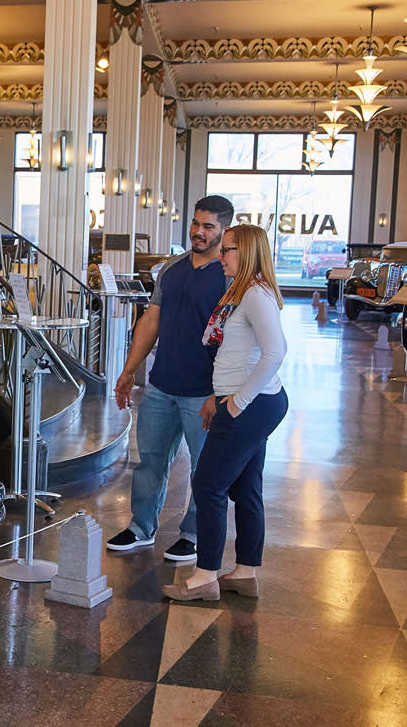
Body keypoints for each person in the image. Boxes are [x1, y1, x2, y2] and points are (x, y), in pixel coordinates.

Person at [163, 224, 289, 601]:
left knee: (208, 484)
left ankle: (205, 576)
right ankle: (246, 571)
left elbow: (275, 353)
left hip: (252, 405)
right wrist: (218, 397)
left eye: (229, 250)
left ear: (248, 252)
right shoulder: (244, 292)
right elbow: (233, 356)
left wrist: (236, 402)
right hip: (249, 402)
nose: (221, 256)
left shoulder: (255, 294)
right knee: (246, 487)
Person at [105, 195, 234, 562]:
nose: (198, 231)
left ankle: (194, 534)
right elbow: (151, 321)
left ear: (223, 230)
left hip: (203, 391)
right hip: (162, 385)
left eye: (208, 226)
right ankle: (141, 527)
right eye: (196, 223)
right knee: (149, 462)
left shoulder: (228, 276)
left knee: (203, 469)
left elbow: (238, 337)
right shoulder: (172, 269)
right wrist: (129, 371)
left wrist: (221, 392)